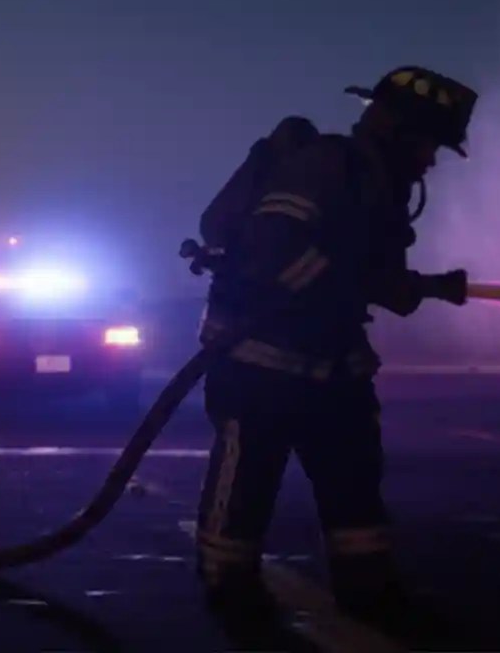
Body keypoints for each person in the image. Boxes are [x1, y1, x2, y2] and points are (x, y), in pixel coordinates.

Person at [193, 66, 477, 640]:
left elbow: (364, 270)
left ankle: (368, 588)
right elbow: (274, 255)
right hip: (260, 361)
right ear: (396, 130)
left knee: (354, 481)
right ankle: (230, 587)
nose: (430, 160)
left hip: (332, 363)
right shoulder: (324, 167)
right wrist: (359, 286)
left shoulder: (378, 183)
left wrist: (413, 286)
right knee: (247, 479)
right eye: (427, 144)